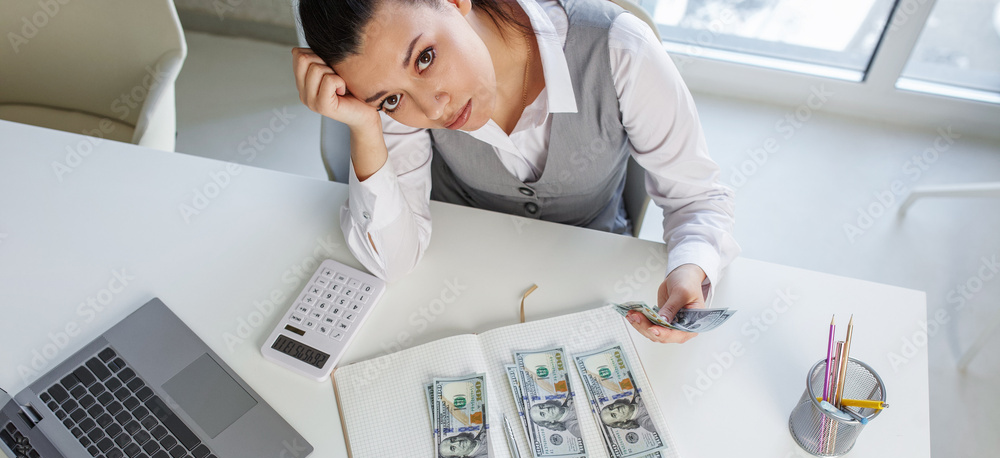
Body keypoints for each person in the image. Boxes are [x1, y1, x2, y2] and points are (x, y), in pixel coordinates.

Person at [293, 0, 739, 344]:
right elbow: (394, 261)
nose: (431, 107)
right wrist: (367, 125)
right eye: (389, 99)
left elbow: (697, 199)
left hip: (589, 283)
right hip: (461, 293)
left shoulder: (621, 51)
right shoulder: (396, 100)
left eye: (426, 57)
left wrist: (690, 268)